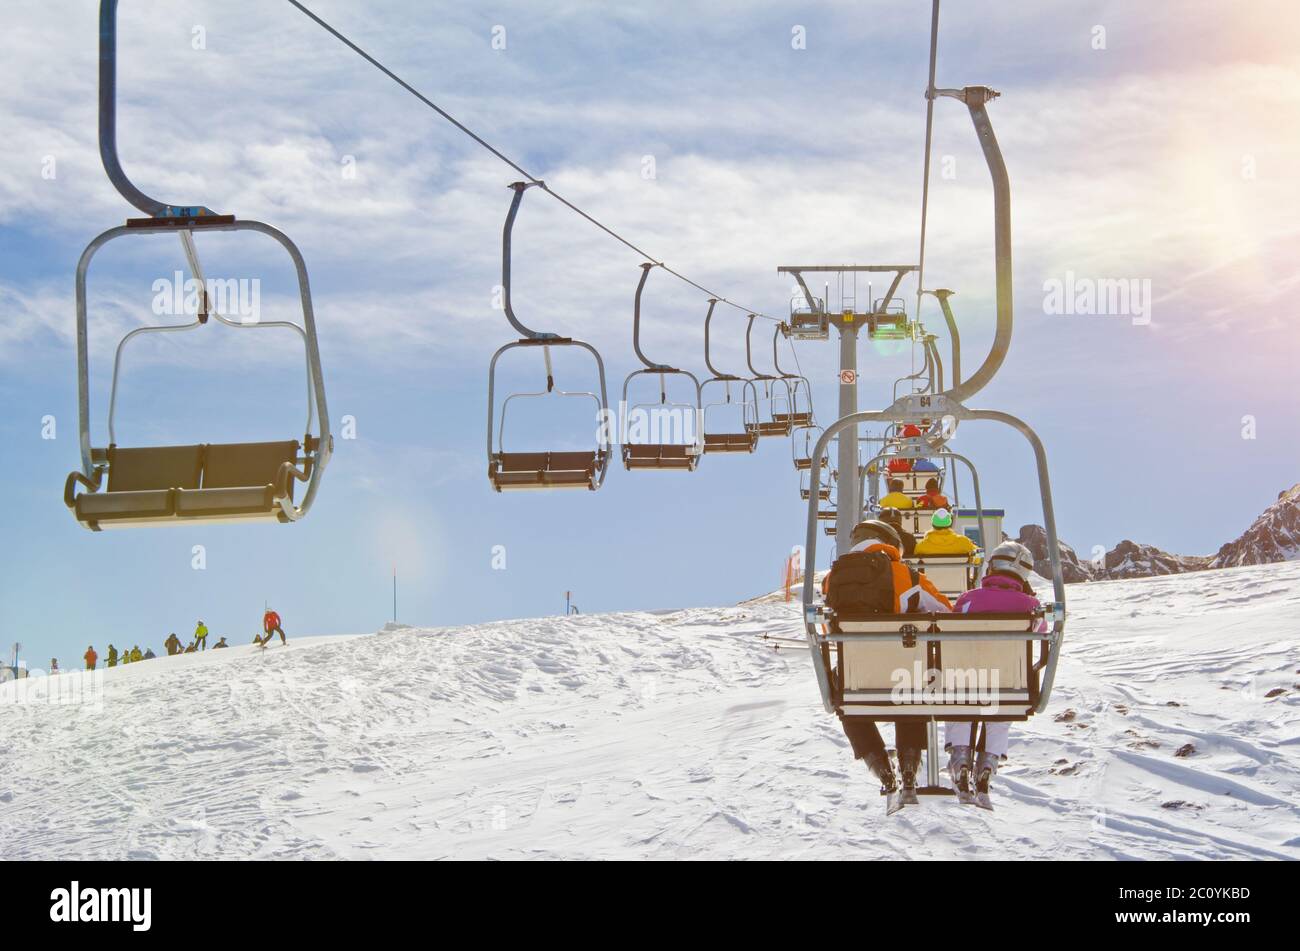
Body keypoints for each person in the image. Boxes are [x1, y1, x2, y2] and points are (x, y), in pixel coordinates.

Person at [823, 519, 953, 801]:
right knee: (912, 688)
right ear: (891, 543)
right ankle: (908, 765)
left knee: (843, 696)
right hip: (901, 672)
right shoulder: (905, 575)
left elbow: (828, 626)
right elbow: (945, 611)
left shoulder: (832, 578)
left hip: (854, 676)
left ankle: (880, 766)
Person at [945, 541, 1046, 802]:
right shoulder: (1029, 604)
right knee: (999, 714)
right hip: (1010, 684)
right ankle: (987, 766)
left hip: (966, 679)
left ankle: (960, 759)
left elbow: (955, 622)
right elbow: (1041, 629)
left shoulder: (969, 599)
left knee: (962, 708)